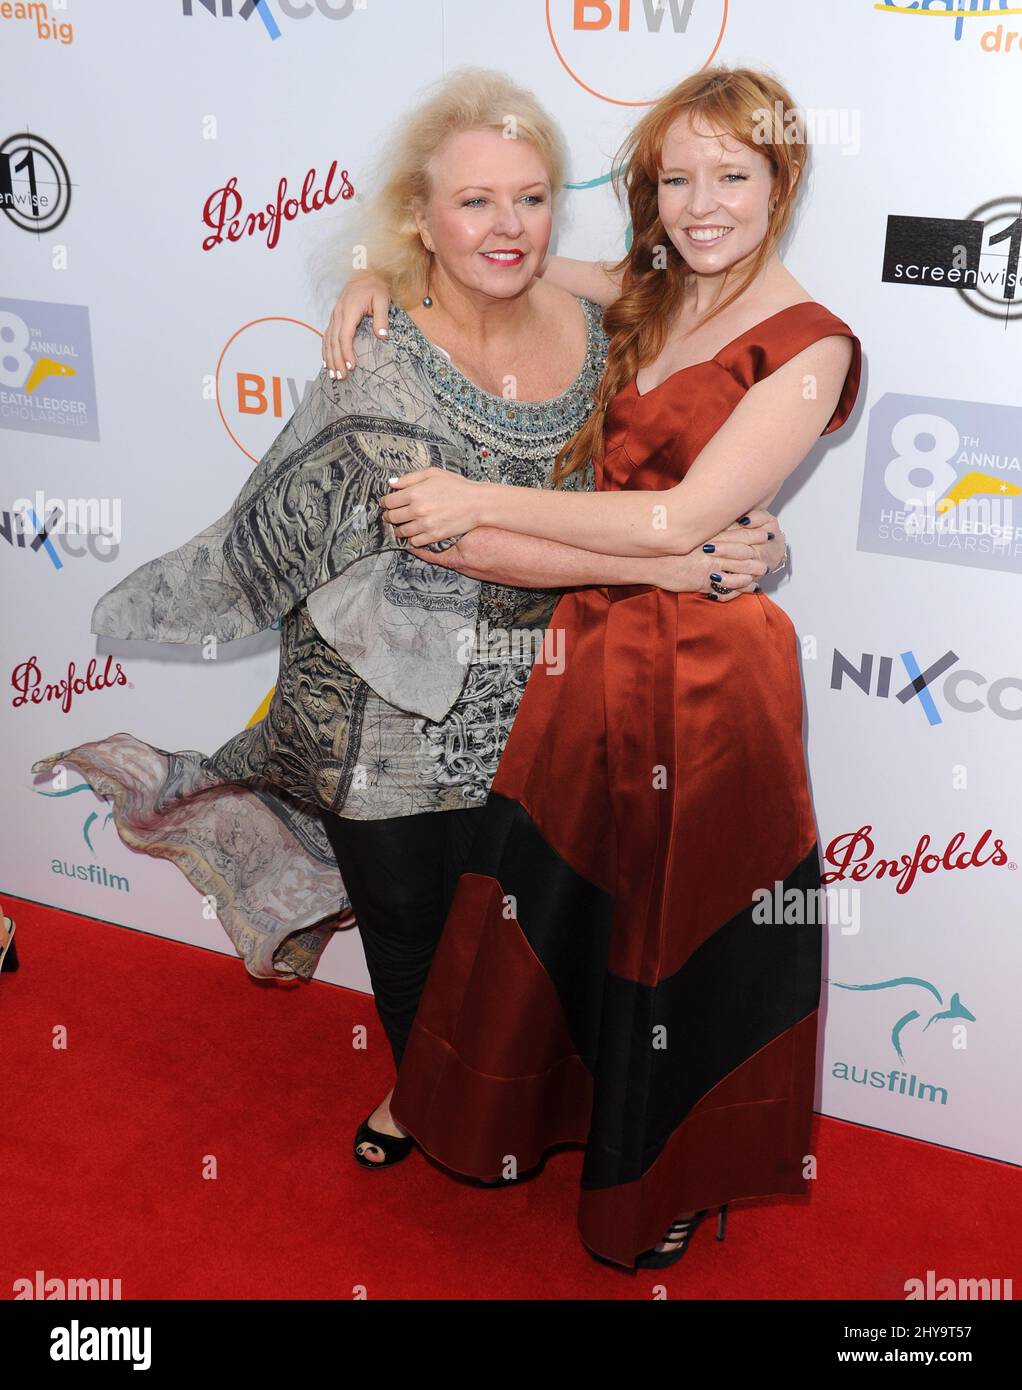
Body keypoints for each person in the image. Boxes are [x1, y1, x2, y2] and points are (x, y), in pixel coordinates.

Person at [30, 67, 786, 1175]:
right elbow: (456, 538)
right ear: (418, 217)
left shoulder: (596, 325)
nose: (506, 224)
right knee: (412, 927)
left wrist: (738, 531)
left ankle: (498, 1104)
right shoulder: (372, 351)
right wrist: (682, 566)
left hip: (530, 687)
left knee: (518, 930)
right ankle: (420, 1098)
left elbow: (659, 470)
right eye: (474, 200)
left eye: (528, 197)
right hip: (370, 706)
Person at [340, 65, 862, 1271]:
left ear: (781, 182)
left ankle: (666, 1177)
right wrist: (375, 270)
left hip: (706, 681)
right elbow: (493, 262)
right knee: (554, 913)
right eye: (673, 177)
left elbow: (679, 524)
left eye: (730, 175)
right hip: (590, 658)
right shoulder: (650, 288)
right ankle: (514, 1115)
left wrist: (476, 496)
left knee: (683, 940)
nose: (700, 203)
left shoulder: (812, 346)